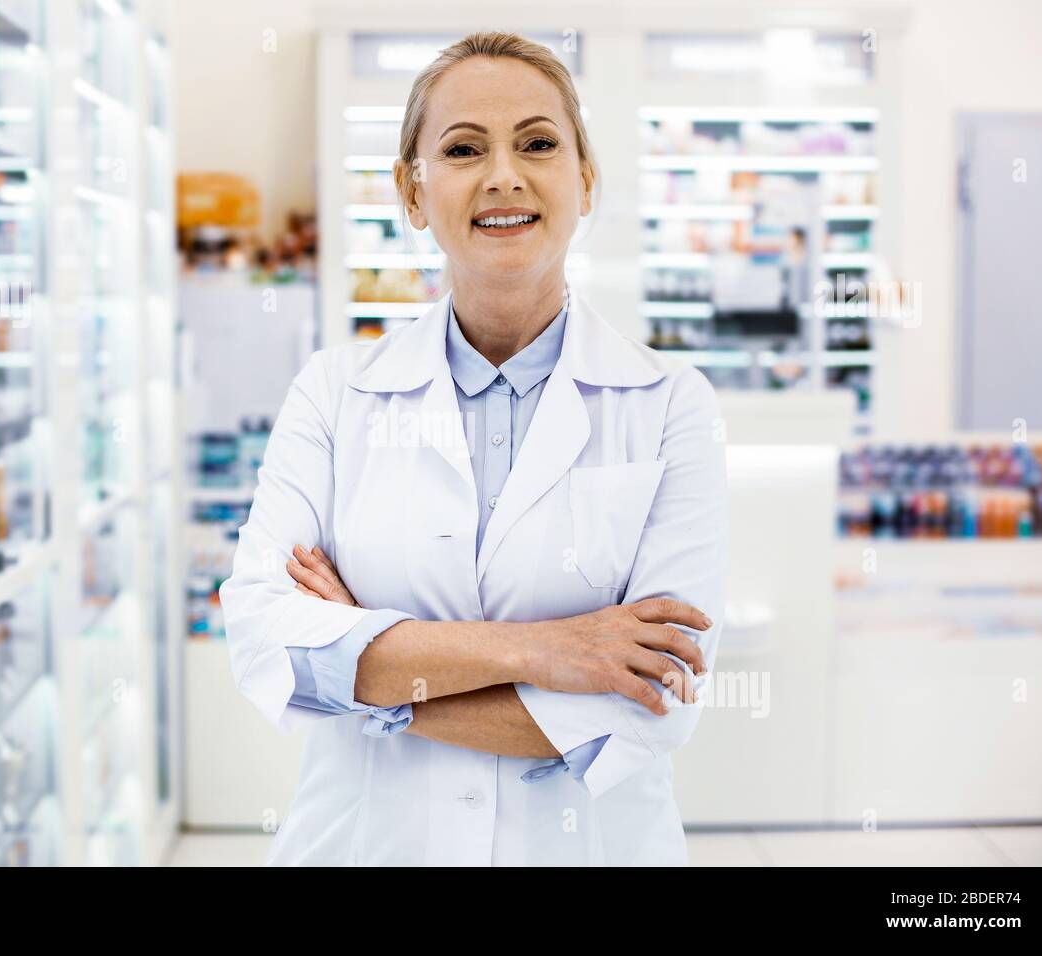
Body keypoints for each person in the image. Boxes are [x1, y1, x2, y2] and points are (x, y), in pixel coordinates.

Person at [220, 31, 727, 866]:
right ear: (412, 194)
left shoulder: (671, 405)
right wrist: (553, 651)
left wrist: (369, 667)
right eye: (462, 149)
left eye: (538, 143)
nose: (503, 175)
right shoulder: (334, 392)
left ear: (585, 181)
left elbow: (652, 701)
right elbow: (270, 645)